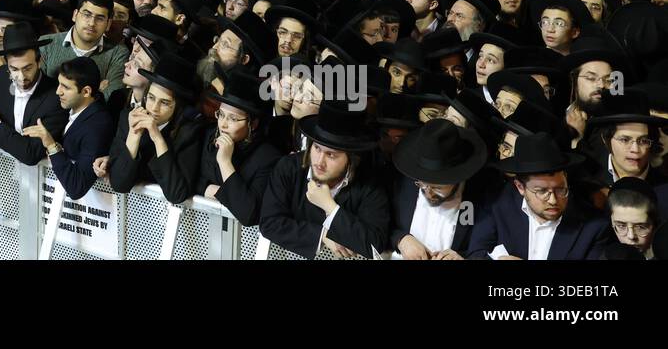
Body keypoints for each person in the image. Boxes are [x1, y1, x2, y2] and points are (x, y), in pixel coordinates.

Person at [260, 102, 391, 259]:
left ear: (351, 158)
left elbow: (374, 244)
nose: (319, 162)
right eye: (317, 148)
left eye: (331, 155)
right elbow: (269, 223)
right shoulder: (288, 167)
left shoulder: (370, 185)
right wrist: (323, 235)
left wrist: (330, 207)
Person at [467, 132, 609, 259]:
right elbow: (476, 254)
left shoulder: (594, 227)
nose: (553, 200)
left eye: (560, 189)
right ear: (520, 187)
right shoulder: (497, 204)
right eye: (541, 191)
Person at [108, 52, 203, 204]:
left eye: (164, 103)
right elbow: (119, 184)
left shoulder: (188, 132)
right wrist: (134, 134)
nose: (154, 108)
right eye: (151, 98)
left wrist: (157, 138)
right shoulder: (128, 119)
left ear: (178, 107)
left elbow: (176, 194)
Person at [389, 118, 489, 259]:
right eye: (422, 184)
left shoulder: (479, 197)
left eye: (438, 187)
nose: (428, 192)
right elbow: (382, 224)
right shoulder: (403, 183)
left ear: (457, 179)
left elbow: (484, 249)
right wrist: (401, 240)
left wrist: (461, 258)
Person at [199, 70, 281, 226]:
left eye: (233, 118)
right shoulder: (209, 137)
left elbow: (248, 214)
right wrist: (211, 190)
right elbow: (190, 179)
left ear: (253, 124)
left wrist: (225, 162)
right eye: (221, 115)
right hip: (203, 226)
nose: (223, 124)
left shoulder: (268, 157)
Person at [0, 22, 65, 166]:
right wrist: (18, 144)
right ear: (6, 64)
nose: (21, 77)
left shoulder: (55, 96)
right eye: (14, 69)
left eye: (27, 68)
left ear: (39, 62)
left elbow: (31, 154)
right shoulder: (1, 77)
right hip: (2, 168)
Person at [28, 56, 114, 200]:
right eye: (59, 84)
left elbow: (77, 187)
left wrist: (51, 146)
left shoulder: (98, 127)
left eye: (66, 87)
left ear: (86, 91)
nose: (58, 92)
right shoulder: (65, 106)